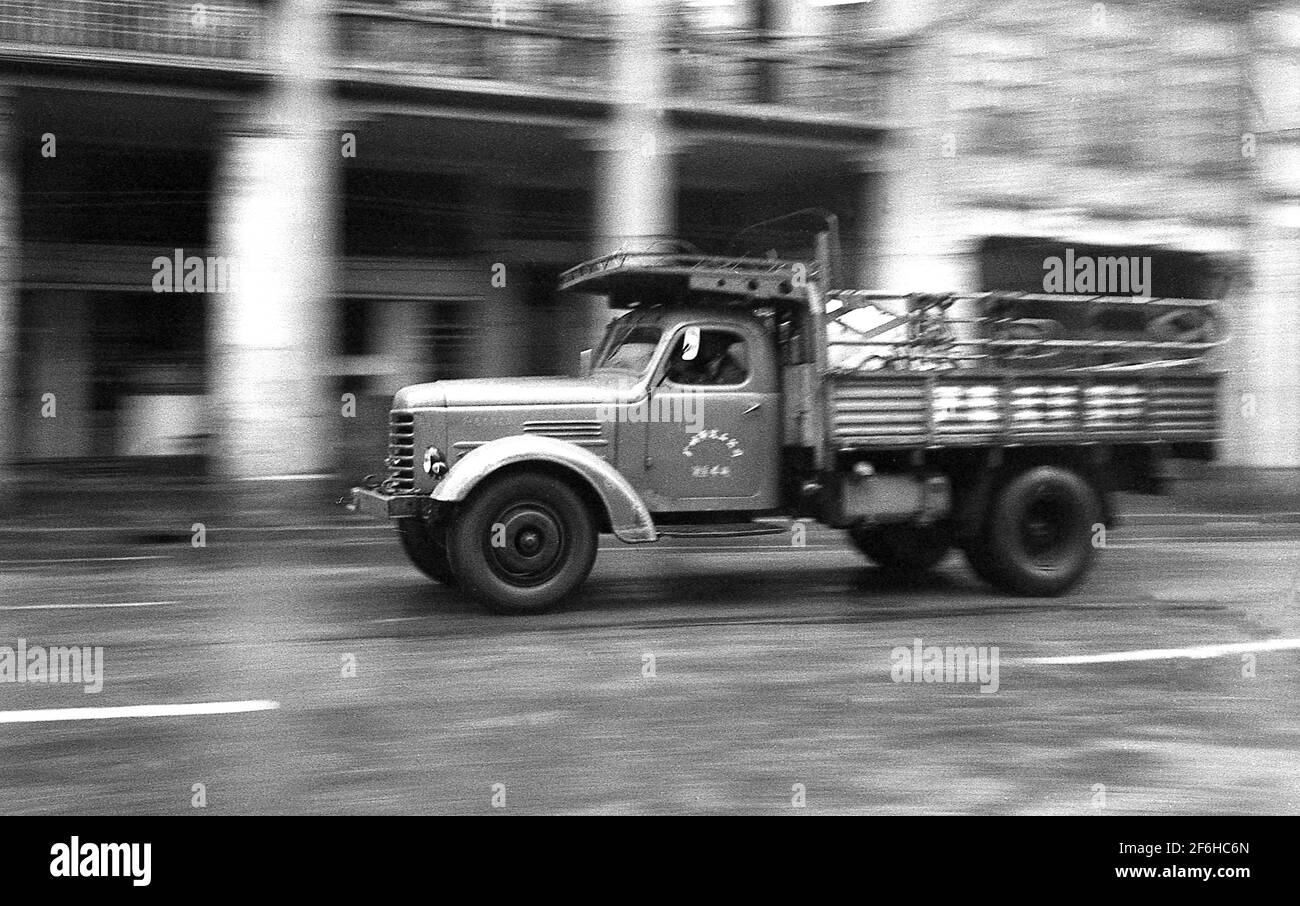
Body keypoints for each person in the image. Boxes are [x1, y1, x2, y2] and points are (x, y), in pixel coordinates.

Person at [669, 332, 746, 386]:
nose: (702, 346)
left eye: (708, 342)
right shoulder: (703, 363)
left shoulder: (730, 369)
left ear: (719, 344)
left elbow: (714, 389)